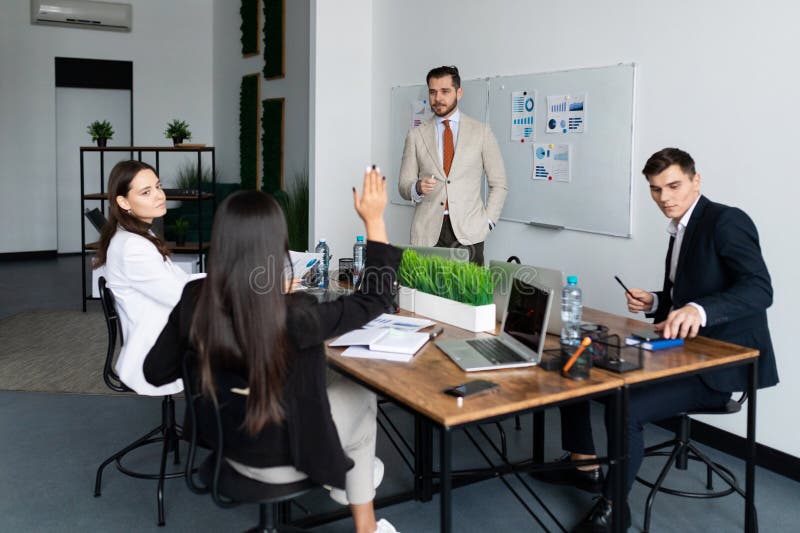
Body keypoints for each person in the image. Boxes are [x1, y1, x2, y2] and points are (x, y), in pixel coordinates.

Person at [143, 168, 400, 533]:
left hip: (226, 447)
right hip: (285, 457)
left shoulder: (193, 299)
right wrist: (374, 219)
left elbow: (156, 372)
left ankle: (349, 473)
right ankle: (366, 524)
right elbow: (375, 298)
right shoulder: (295, 313)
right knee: (360, 394)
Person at [572, 147, 779, 532]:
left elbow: (759, 289)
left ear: (696, 180)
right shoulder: (681, 228)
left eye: (673, 185)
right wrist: (655, 301)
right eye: (655, 189)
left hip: (723, 367)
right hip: (684, 353)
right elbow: (684, 297)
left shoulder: (726, 221)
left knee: (626, 406)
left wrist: (698, 310)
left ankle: (614, 506)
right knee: (581, 368)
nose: (664, 197)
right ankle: (582, 463)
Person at [93, 160, 202, 395]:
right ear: (123, 202)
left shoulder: (140, 234)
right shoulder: (133, 246)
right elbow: (182, 297)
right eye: (146, 192)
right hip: (155, 352)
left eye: (158, 186)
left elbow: (183, 283)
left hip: (162, 334)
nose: (159, 195)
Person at [398, 65, 507, 265]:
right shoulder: (416, 135)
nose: (438, 98)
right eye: (433, 92)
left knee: (466, 294)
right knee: (426, 294)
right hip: (428, 232)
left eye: (445, 91)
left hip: (469, 232)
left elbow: (499, 184)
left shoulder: (481, 132)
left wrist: (488, 222)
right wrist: (417, 187)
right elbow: (404, 185)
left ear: (459, 92)